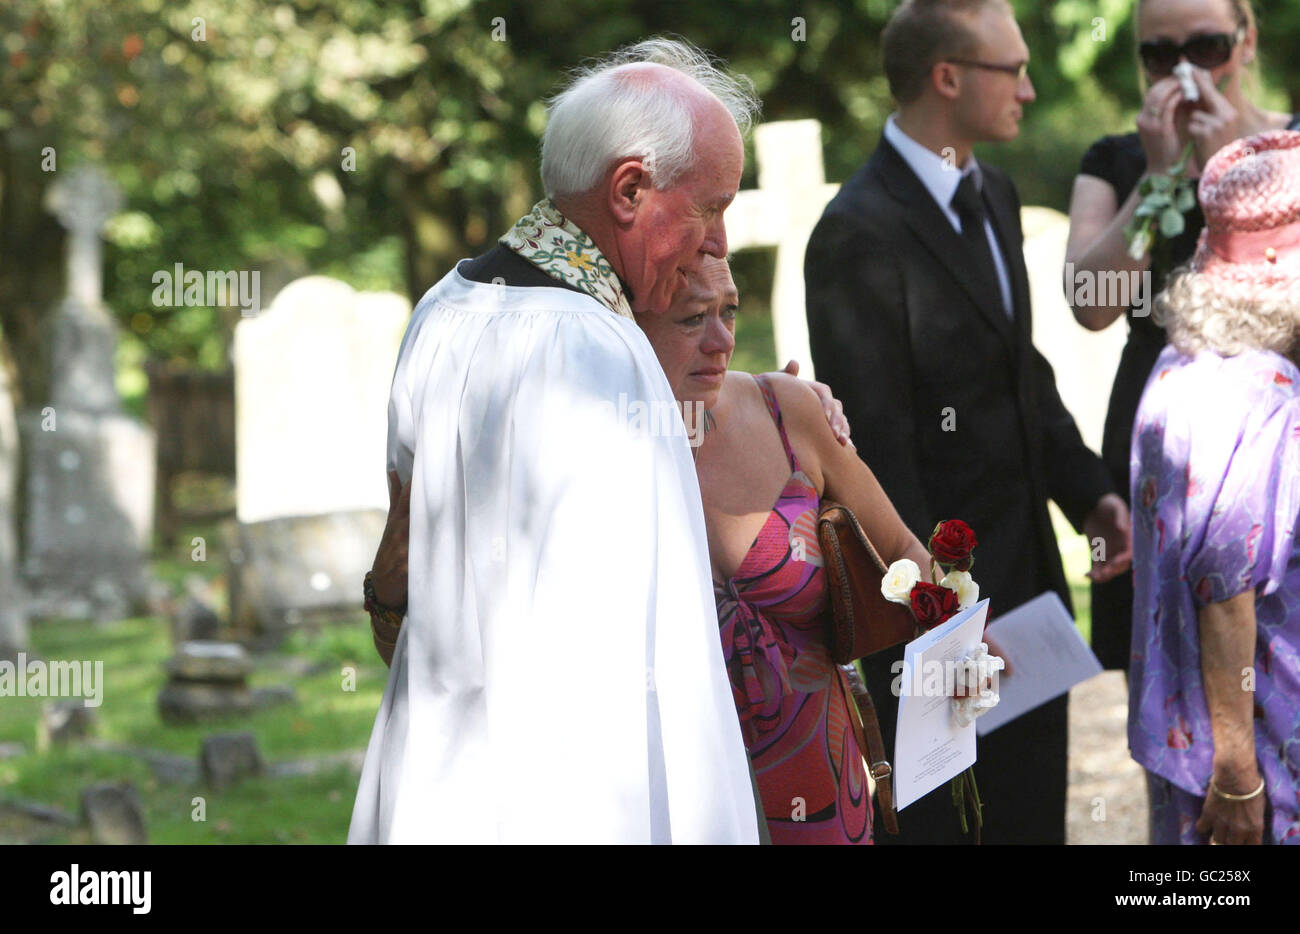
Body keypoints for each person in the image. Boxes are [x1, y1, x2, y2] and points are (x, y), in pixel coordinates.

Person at [348, 38, 767, 844]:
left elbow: (398, 563)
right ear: (630, 190)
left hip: (441, 783)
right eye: (712, 206)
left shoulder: (440, 309)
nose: (718, 240)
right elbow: (650, 654)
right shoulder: (605, 351)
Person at [804, 0, 1132, 844]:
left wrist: (1091, 496)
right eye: (1011, 68)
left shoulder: (996, 192)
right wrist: (943, 625)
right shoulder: (855, 232)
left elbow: (1019, 372)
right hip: (938, 625)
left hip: (1028, 599)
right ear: (948, 77)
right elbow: (873, 454)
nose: (1028, 87)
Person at [634, 255, 934, 843]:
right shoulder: (596, 444)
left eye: (729, 311)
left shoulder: (788, 411)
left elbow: (899, 546)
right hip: (676, 804)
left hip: (826, 791)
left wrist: (956, 646)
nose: (721, 341)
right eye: (692, 319)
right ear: (632, 327)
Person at [1065, 0, 1299, 673]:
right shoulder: (1115, 161)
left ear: (1246, 41)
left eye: (1206, 46)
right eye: (1160, 54)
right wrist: (1160, 177)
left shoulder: (1293, 147)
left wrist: (1230, 165)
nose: (1185, 70)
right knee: (1166, 664)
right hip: (1163, 437)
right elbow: (1091, 301)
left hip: (1281, 425)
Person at [1129, 129, 1300, 845]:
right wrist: (1239, 773)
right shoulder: (1269, 391)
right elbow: (1224, 593)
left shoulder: (1180, 362)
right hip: (1260, 752)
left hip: (1180, 740)